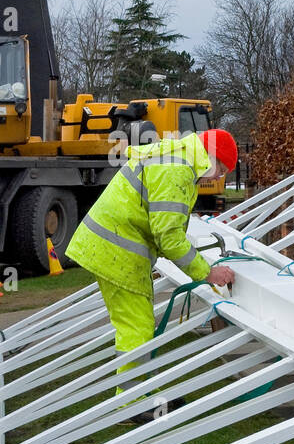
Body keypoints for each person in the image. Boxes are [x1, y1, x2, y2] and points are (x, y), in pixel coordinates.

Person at [67, 128, 238, 424]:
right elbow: (169, 237)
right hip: (116, 252)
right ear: (211, 155)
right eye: (221, 168)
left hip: (111, 247)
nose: (217, 177)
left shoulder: (176, 157)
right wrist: (208, 272)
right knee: (136, 326)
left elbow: (163, 227)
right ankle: (130, 404)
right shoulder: (179, 170)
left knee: (140, 325)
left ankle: (144, 395)